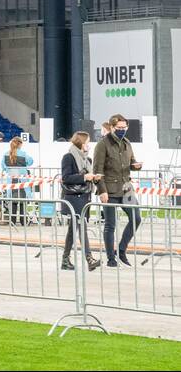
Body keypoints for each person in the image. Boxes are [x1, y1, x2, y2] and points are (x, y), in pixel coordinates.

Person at [93, 114, 143, 267]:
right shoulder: (103, 144)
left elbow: (131, 162)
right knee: (110, 225)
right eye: (119, 128)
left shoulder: (127, 143)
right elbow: (97, 169)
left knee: (136, 218)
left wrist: (136, 166)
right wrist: (102, 190)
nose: (122, 130)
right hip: (109, 189)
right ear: (112, 127)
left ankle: (121, 250)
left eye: (124, 127)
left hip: (126, 189)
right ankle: (110, 258)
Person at [59, 132, 101, 272]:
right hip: (73, 197)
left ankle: (65, 260)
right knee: (81, 227)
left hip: (84, 197)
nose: (89, 145)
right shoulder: (68, 157)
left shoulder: (87, 160)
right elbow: (66, 178)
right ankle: (89, 259)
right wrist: (84, 177)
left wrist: (94, 178)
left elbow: (87, 176)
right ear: (81, 143)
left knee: (73, 229)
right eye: (87, 142)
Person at [0, 136, 33, 224]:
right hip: (22, 181)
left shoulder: (6, 154)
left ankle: (12, 221)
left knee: (13, 201)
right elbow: (30, 162)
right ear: (20, 144)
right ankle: (23, 221)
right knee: (23, 201)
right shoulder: (23, 153)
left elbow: (3, 166)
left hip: (11, 181)